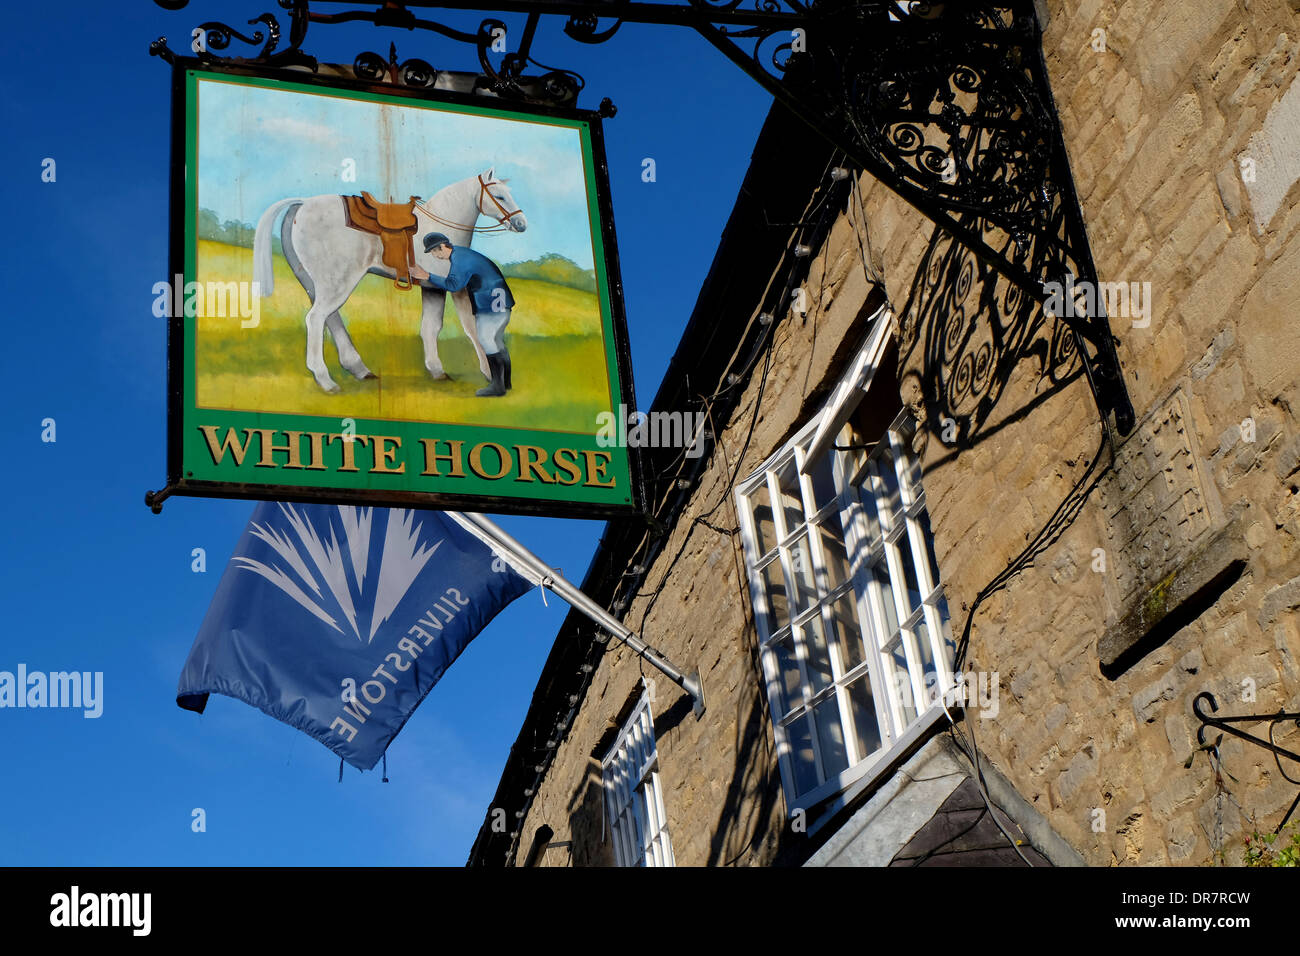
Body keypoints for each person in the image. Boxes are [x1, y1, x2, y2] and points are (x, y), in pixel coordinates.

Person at [409, 232, 515, 397]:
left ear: (443, 246)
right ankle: (505, 382)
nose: (434, 256)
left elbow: (453, 285)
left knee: (487, 341)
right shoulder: (462, 254)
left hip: (489, 304)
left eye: (434, 252)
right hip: (501, 303)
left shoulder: (459, 260)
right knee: (497, 342)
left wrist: (427, 275)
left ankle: (497, 387)